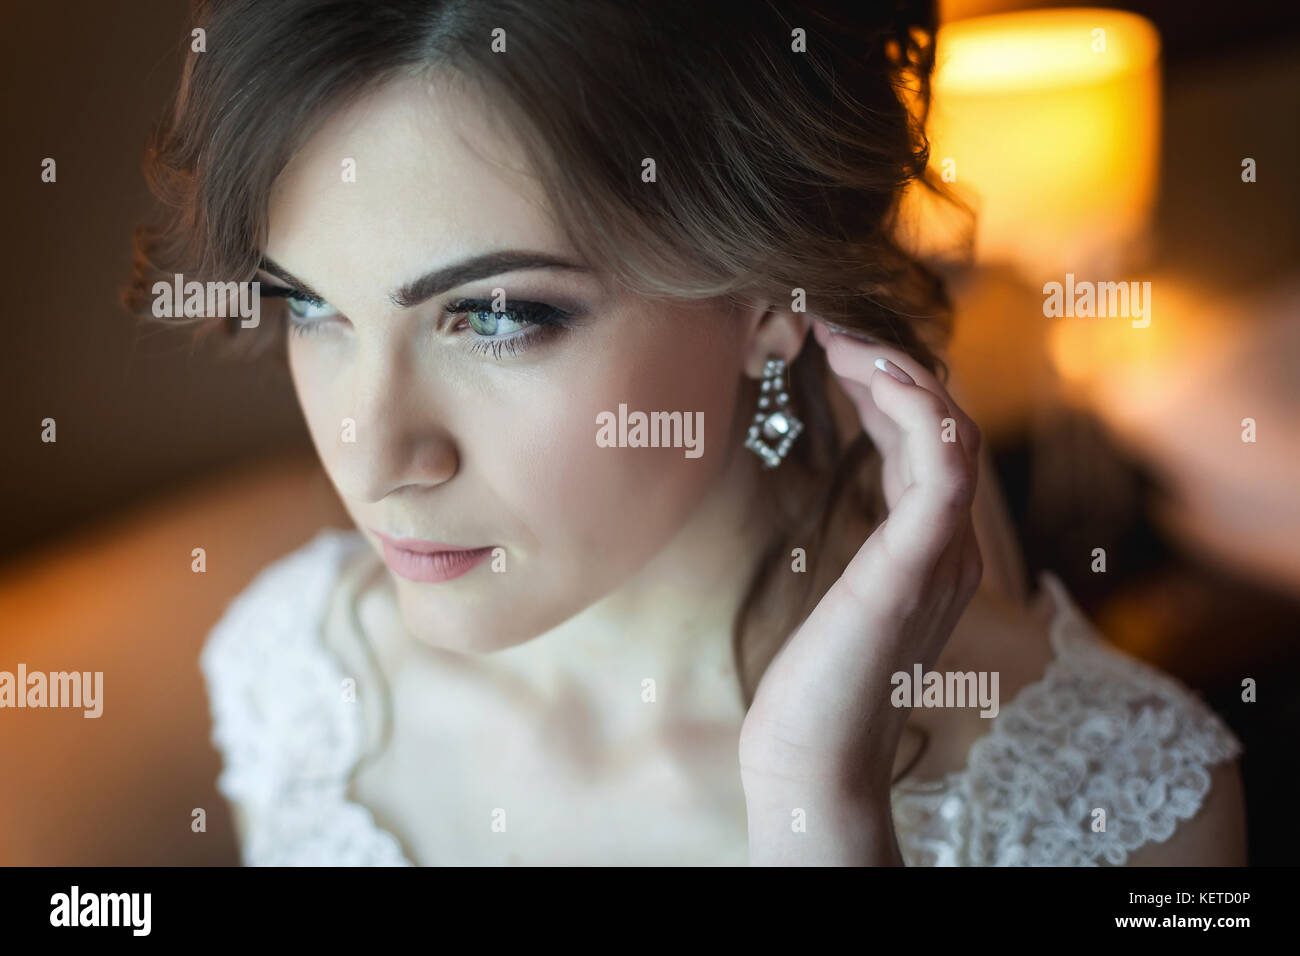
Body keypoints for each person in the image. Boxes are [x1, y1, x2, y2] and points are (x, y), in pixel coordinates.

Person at [124, 0, 1245, 865]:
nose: (371, 457)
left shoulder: (1115, 794)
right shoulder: (297, 682)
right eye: (311, 307)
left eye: (501, 317)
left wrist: (820, 805)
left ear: (767, 299)